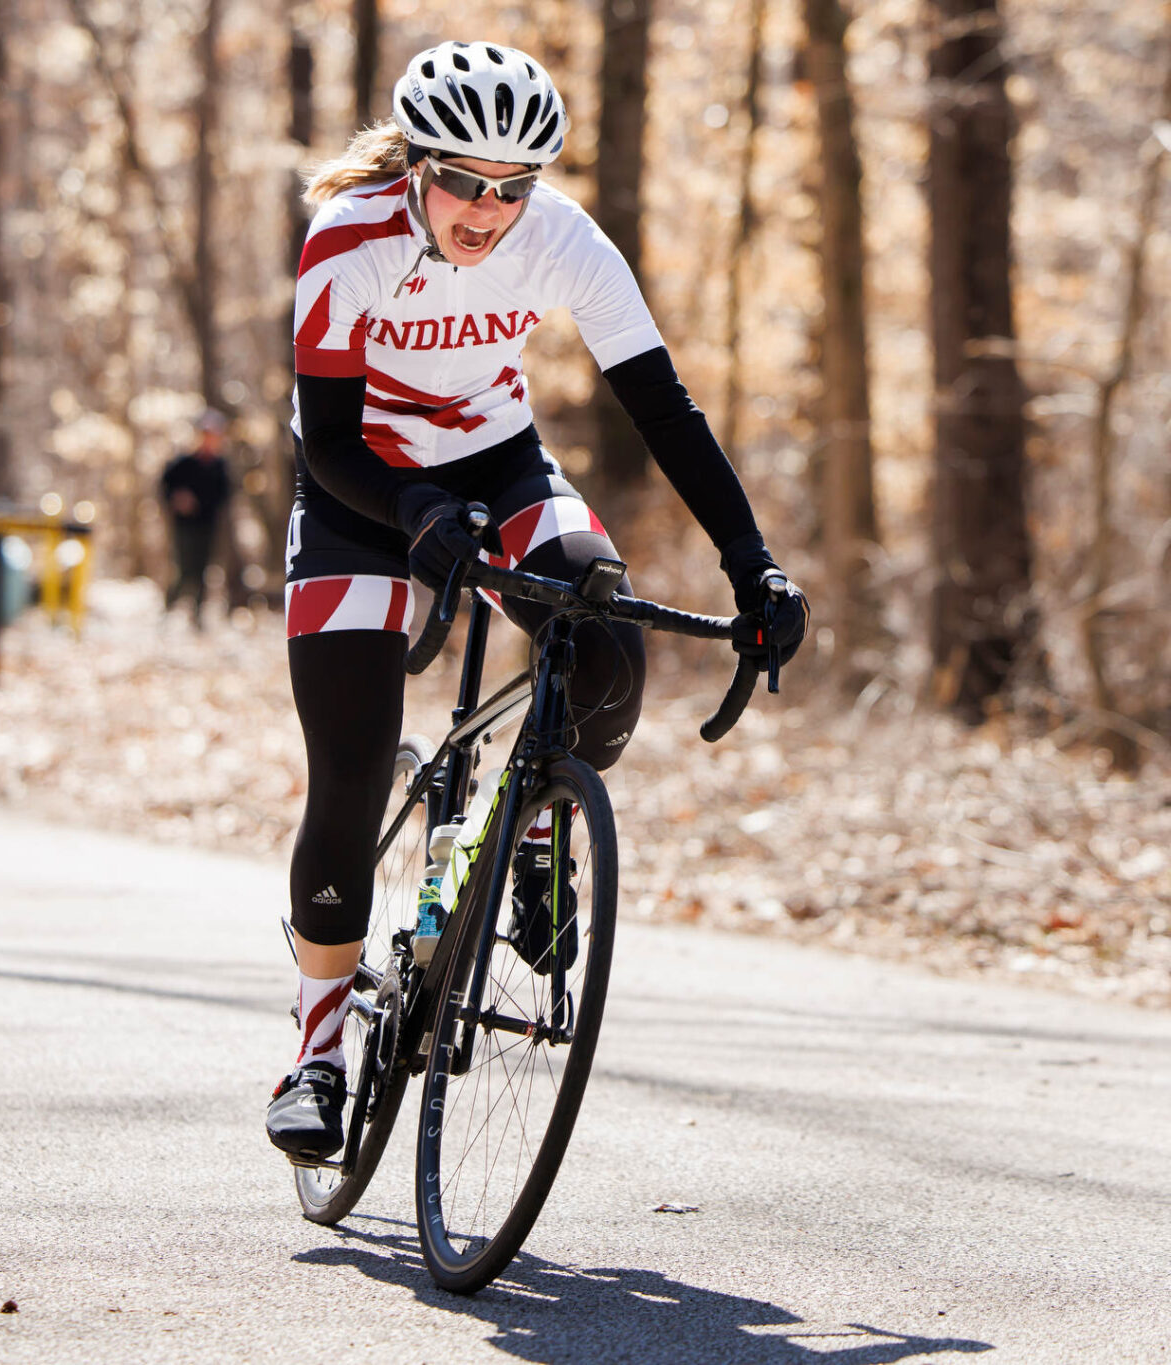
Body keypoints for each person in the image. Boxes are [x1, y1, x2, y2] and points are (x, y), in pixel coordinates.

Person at [265, 42, 808, 1158]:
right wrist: (410, 513)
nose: (485, 209)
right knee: (354, 763)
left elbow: (663, 409)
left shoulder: (561, 238)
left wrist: (750, 560)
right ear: (416, 166)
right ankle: (317, 1047)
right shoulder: (346, 239)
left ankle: (539, 823)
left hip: (498, 464)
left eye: (510, 187)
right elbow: (324, 440)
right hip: (360, 488)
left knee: (602, 628)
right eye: (463, 179)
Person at [159, 412, 233, 628]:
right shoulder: (183, 463)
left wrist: (201, 503)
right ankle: (169, 610)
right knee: (183, 568)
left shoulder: (220, 467)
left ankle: (198, 616)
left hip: (207, 525)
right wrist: (178, 500)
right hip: (184, 526)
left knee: (203, 570)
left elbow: (224, 496)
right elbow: (165, 486)